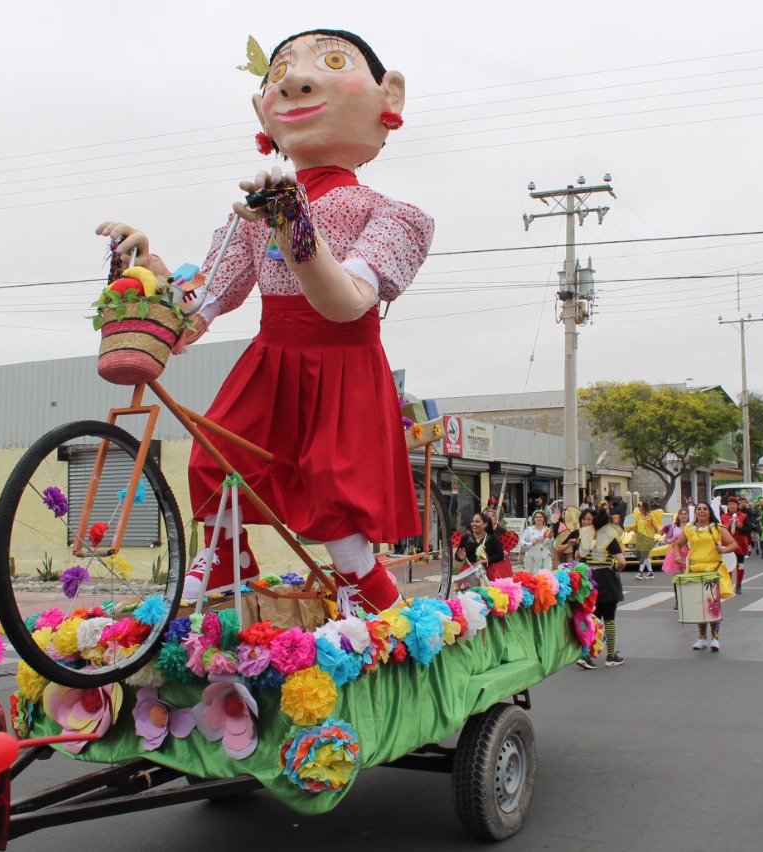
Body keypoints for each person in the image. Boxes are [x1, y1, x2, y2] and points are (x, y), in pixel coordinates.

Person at [100, 29, 433, 614]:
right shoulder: (255, 214)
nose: (294, 81)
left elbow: (348, 301)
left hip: (342, 366)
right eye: (279, 72)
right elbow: (201, 301)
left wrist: (293, 228)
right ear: (264, 111)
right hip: (270, 361)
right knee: (212, 460)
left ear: (390, 99)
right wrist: (143, 272)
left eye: (332, 63)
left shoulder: (392, 215)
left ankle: (384, 617)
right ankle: (229, 569)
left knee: (335, 505)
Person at [681, 504, 739, 651]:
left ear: (709, 512)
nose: (701, 511)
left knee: (713, 604)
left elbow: (734, 544)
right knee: (699, 605)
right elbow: (677, 544)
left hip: (714, 569)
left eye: (705, 509)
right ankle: (701, 638)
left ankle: (715, 638)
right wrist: (676, 556)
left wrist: (724, 549)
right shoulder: (689, 528)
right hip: (695, 569)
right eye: (699, 509)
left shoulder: (718, 528)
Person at [574, 508, 627, 668]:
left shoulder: (584, 535)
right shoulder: (611, 536)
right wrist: (615, 569)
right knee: (609, 618)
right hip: (606, 577)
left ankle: (586, 654)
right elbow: (622, 561)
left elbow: (577, 556)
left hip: (589, 577)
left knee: (591, 618)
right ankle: (610, 655)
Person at [454, 511, 508, 584]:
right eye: (472, 521)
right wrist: (460, 557)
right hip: (469, 571)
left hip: (487, 571)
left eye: (477, 522)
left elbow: (500, 555)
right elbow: (457, 556)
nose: (474, 524)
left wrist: (487, 560)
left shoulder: (492, 538)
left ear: (485, 524)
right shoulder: (466, 538)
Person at [720, 497, 751, 594]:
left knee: (740, 565)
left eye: (733, 504)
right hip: (727, 544)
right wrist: (725, 527)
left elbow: (748, 530)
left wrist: (741, 526)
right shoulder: (723, 517)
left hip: (740, 544)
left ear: (737, 506)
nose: (731, 506)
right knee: (728, 565)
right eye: (729, 504)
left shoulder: (743, 516)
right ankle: (728, 584)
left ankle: (738, 584)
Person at [632, 501, 657, 580]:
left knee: (644, 554)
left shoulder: (650, 515)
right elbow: (635, 525)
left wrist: (661, 530)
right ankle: (650, 572)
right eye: (639, 507)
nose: (640, 508)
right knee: (644, 555)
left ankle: (640, 572)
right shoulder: (639, 516)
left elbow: (655, 524)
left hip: (648, 538)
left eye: (641, 507)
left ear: (645, 507)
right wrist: (629, 528)